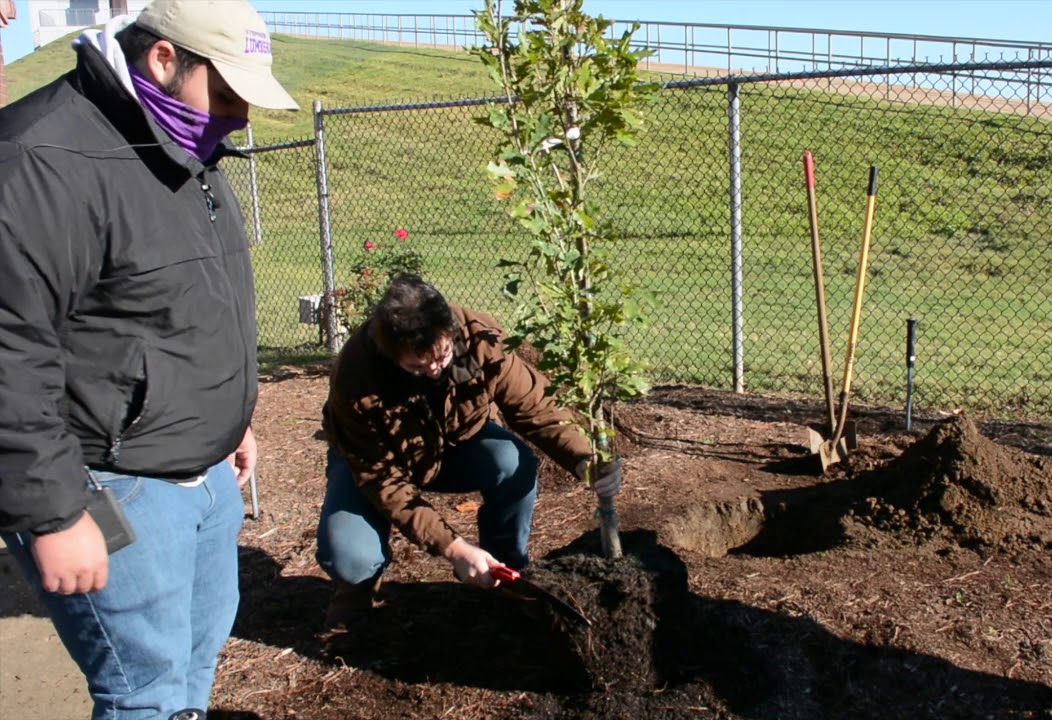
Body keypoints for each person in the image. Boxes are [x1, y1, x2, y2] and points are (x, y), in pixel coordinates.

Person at [0, 1, 298, 718]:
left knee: (194, 665)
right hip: (113, 481)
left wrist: (229, 414)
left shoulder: (179, 143)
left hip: (201, 471)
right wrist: (54, 512)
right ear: (164, 59)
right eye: (228, 94)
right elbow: (10, 343)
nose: (241, 118)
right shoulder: (45, 157)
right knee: (145, 691)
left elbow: (173, 303)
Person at [317, 274, 622, 629]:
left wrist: (584, 457)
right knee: (351, 556)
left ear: (449, 331)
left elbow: (535, 405)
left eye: (442, 356)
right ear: (391, 353)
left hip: (452, 446)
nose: (433, 370)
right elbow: (384, 482)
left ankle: (505, 571)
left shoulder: (480, 338)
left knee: (513, 462)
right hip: (378, 465)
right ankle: (355, 598)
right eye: (417, 366)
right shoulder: (357, 375)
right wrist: (455, 549)